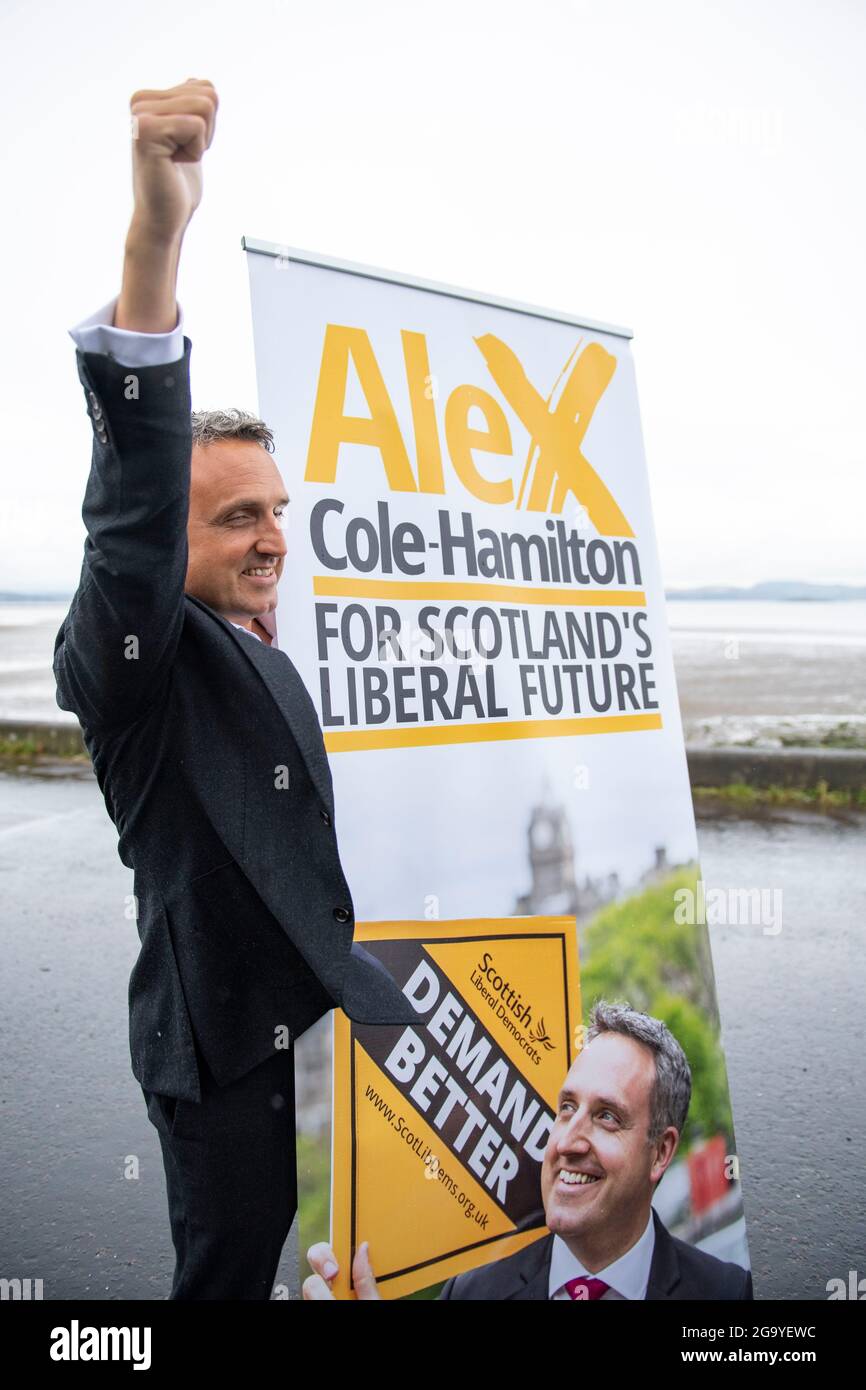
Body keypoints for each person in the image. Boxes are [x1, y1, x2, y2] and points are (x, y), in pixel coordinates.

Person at [55, 76, 417, 1301]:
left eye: (279, 510)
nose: (271, 537)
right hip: (217, 1060)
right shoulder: (138, 662)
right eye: (236, 518)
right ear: (178, 540)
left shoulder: (264, 638)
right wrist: (156, 240)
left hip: (313, 1035)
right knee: (226, 1280)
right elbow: (131, 522)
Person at [304, 1000, 753, 1300]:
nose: (566, 1143)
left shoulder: (735, 1295)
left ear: (660, 1152)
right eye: (566, 1108)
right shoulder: (470, 1295)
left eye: (607, 1116)